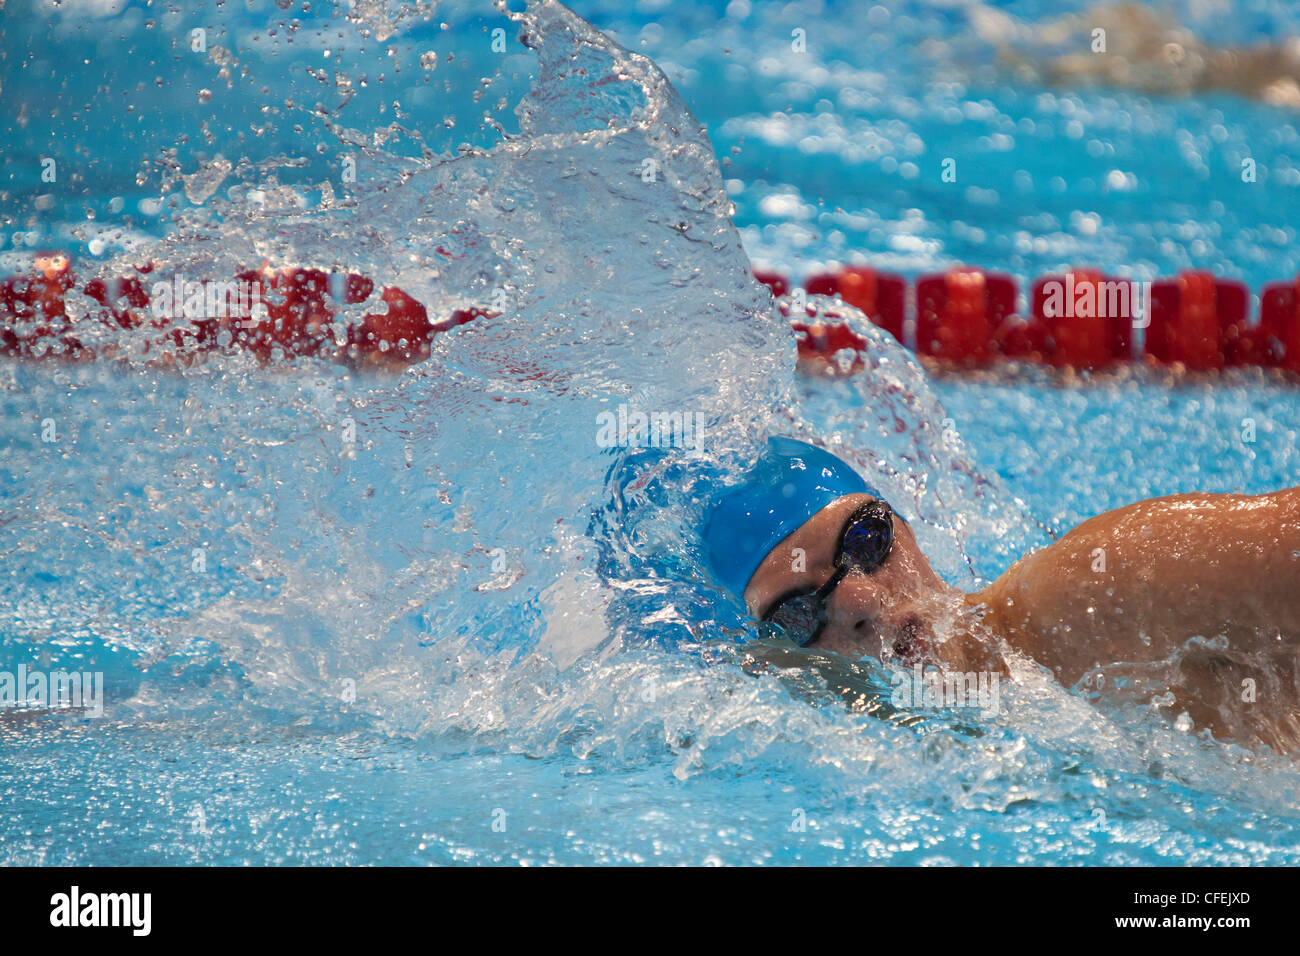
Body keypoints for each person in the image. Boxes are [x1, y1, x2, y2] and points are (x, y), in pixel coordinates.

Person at [705, 437, 1300, 750]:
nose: (860, 607)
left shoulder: (1094, 589)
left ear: (906, 525)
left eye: (864, 542)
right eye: (801, 612)